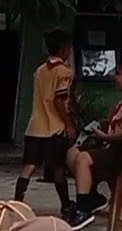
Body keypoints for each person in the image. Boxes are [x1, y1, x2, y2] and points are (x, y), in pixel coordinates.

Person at [64, 53, 122, 231]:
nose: (116, 77)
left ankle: (83, 209)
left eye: (119, 73)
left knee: (83, 159)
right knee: (72, 153)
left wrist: (104, 137)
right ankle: (91, 196)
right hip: (121, 148)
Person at [14, 31, 75, 217]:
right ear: (64, 49)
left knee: (29, 166)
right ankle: (66, 205)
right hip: (54, 128)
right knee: (57, 167)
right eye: (69, 48)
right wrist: (68, 123)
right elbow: (59, 99)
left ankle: (17, 201)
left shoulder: (40, 70)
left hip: (35, 126)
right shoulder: (64, 72)